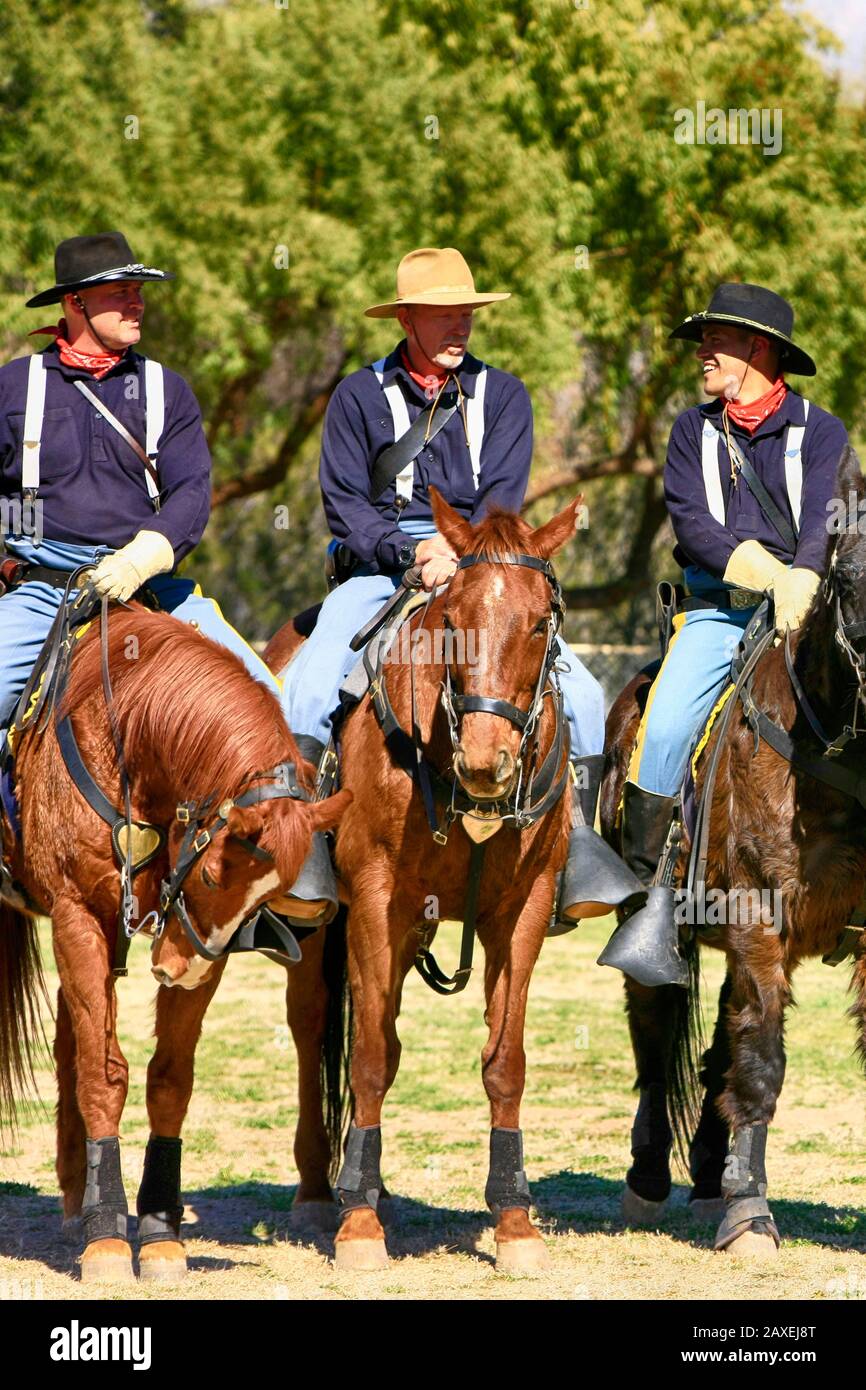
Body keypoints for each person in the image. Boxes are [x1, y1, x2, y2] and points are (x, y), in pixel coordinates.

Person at [280, 246, 639, 923]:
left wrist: (462, 554)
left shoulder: (503, 395)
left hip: (480, 571)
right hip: (380, 573)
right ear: (408, 319)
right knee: (309, 682)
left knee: (586, 694)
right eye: (444, 315)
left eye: (466, 315)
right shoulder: (358, 395)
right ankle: (307, 854)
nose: (459, 328)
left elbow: (503, 497)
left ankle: (581, 843)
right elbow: (346, 507)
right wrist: (410, 550)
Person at [599, 282, 848, 988]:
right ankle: (652, 907)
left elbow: (833, 514)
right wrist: (773, 577)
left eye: (718, 340)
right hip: (719, 612)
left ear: (759, 350)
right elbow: (696, 527)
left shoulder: (821, 431)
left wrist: (804, 579)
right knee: (667, 725)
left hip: (808, 616)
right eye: (705, 340)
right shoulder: (691, 431)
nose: (703, 351)